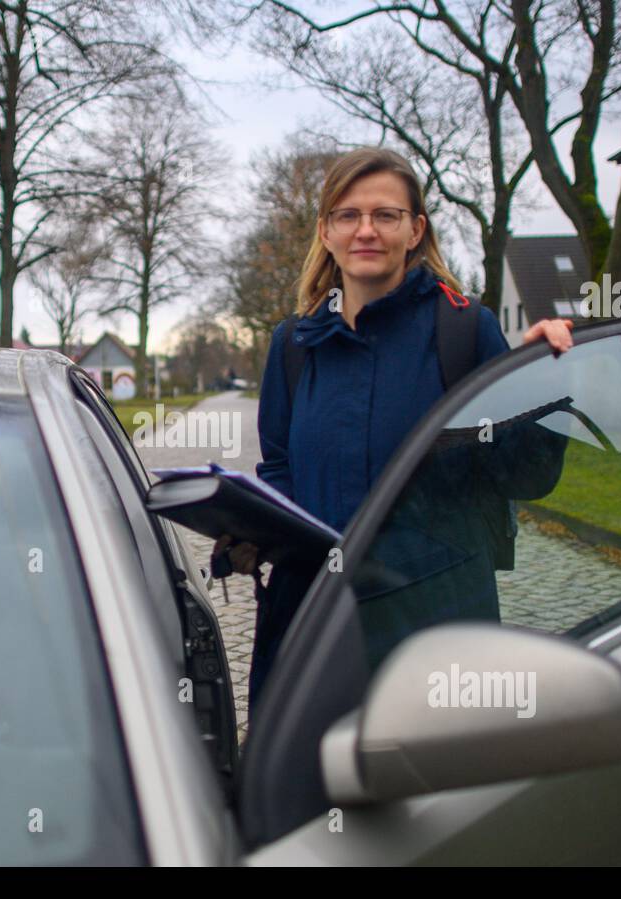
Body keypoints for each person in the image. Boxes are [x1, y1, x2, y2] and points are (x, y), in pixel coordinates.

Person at [212, 146, 575, 715]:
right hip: (313, 624)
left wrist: (537, 382)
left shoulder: (464, 329)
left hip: (436, 633)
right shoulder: (294, 346)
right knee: (305, 791)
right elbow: (281, 470)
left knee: (435, 796)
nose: (367, 230)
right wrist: (249, 526)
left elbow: (527, 475)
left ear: (415, 230)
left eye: (386, 215)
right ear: (327, 232)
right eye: (348, 215)